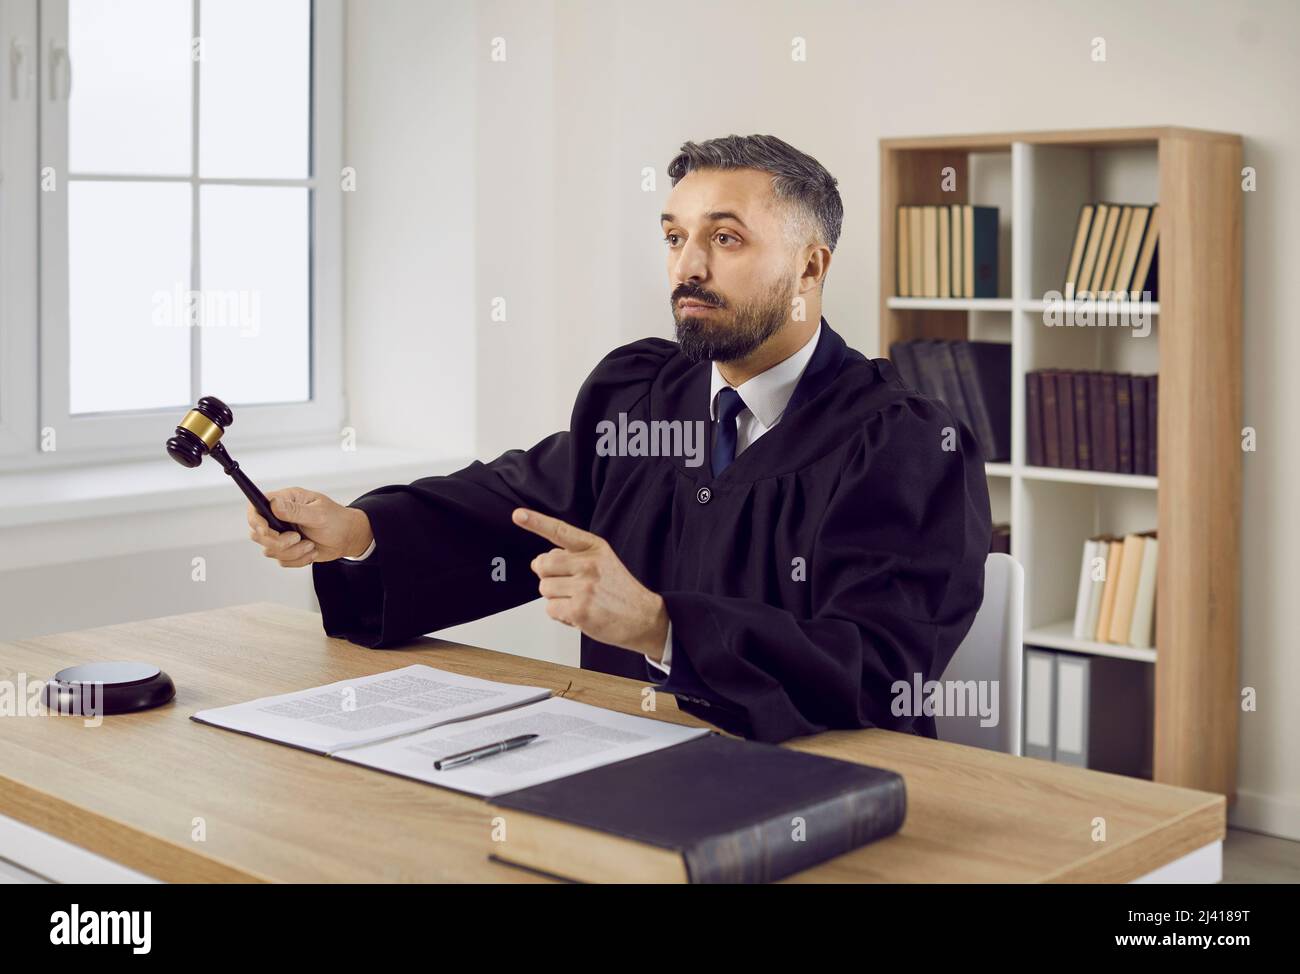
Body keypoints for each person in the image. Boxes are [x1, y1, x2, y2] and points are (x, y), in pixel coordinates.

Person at [248, 134, 991, 744]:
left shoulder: (904, 446)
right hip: (618, 765)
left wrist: (662, 627)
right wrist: (359, 531)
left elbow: (877, 668)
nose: (686, 267)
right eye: (675, 237)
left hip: (814, 802)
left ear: (809, 266)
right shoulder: (641, 395)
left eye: (724, 239)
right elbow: (514, 507)